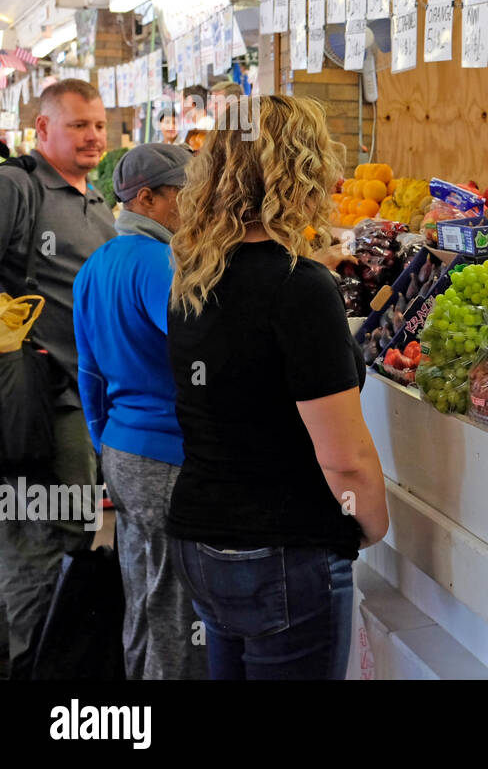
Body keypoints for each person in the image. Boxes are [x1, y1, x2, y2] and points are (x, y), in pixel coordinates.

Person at [166, 94, 388, 680]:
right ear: (303, 170)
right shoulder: (300, 287)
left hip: (201, 537)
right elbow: (344, 461)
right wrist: (370, 524)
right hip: (282, 551)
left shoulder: (194, 274)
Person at [73, 143, 207, 680]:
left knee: (142, 599)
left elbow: (89, 374)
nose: (194, 206)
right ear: (148, 198)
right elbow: (198, 350)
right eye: (185, 195)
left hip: (123, 452)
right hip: (169, 457)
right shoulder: (161, 264)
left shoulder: (96, 264)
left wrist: (107, 438)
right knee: (178, 610)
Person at [0, 78, 116, 679]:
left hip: (81, 403)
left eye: (99, 124)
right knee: (33, 542)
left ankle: (50, 663)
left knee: (68, 537)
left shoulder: (95, 202)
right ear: (43, 129)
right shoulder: (17, 187)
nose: (94, 135)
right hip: (33, 403)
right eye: (78, 125)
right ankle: (32, 673)